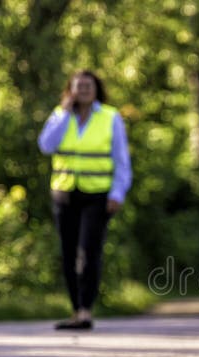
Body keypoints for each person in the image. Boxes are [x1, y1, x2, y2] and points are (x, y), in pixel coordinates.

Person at [37, 70, 132, 330]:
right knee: (68, 253)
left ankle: (86, 309)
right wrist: (63, 114)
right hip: (65, 193)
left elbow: (121, 159)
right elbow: (45, 145)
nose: (84, 90)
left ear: (96, 89)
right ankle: (76, 310)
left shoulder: (110, 117)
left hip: (97, 195)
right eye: (79, 86)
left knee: (89, 252)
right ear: (71, 90)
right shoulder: (61, 115)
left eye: (88, 86)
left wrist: (117, 193)